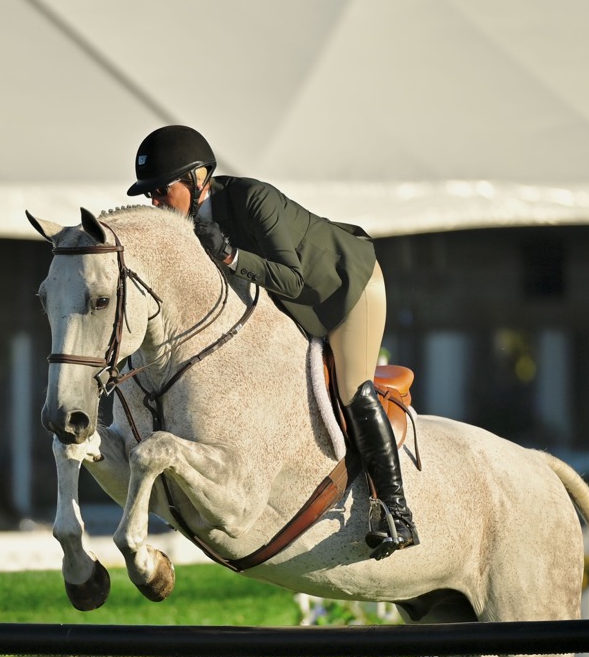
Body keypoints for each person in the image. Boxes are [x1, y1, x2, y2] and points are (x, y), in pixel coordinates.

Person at [126, 124, 419, 559]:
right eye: (149, 195)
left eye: (161, 191)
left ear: (195, 179)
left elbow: (293, 279)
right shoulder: (187, 228)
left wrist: (230, 256)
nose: (155, 202)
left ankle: (396, 511)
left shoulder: (253, 199)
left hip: (347, 289)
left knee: (351, 387)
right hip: (294, 304)